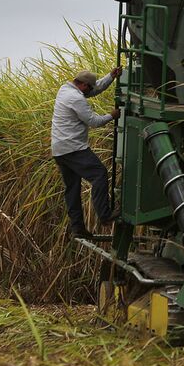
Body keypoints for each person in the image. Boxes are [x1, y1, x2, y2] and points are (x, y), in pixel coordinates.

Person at [51, 66, 122, 238]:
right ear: (83, 85)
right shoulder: (76, 98)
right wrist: (112, 115)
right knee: (99, 174)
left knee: (72, 188)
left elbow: (94, 88)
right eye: (89, 88)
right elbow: (94, 121)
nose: (90, 91)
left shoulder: (65, 89)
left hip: (59, 150)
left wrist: (111, 76)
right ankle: (105, 215)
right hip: (73, 148)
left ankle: (78, 228)